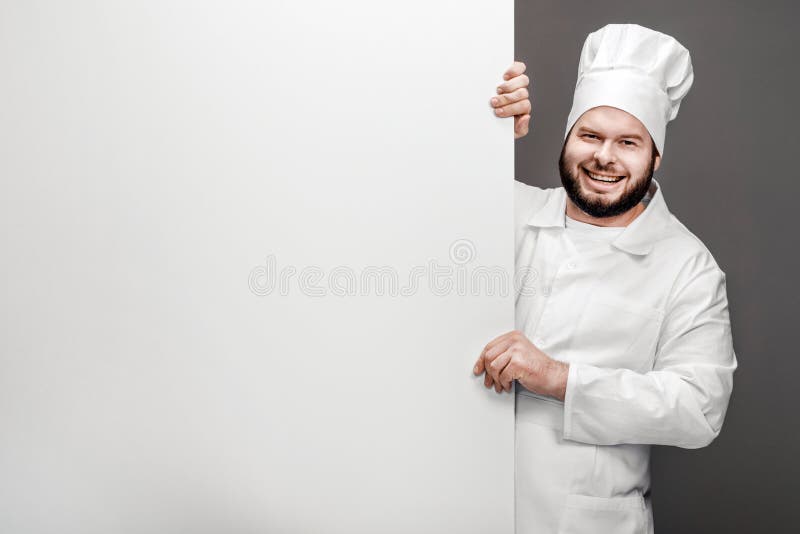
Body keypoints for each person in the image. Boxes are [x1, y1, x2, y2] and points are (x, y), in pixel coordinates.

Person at [473, 24, 737, 534]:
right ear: (568, 137)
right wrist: (480, 143)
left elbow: (700, 407)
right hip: (450, 502)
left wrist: (560, 379)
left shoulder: (687, 265)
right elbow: (416, 206)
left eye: (628, 142)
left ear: (655, 155)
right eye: (590, 135)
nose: (604, 157)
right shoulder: (505, 209)